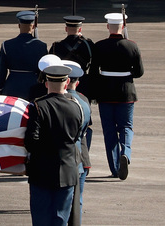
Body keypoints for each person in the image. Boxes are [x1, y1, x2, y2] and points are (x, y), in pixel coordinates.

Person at [24, 64, 84, 226]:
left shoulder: (37, 106)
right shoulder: (76, 106)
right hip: (68, 170)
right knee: (60, 220)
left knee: (41, 219)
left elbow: (31, 141)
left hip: (42, 171)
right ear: (67, 82)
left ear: (46, 83)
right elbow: (77, 136)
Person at [88, 12, 143, 180]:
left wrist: (95, 94)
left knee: (109, 132)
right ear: (123, 27)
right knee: (126, 127)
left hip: (105, 93)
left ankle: (115, 168)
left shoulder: (99, 46)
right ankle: (125, 152)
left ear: (107, 26)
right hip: (126, 93)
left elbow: (93, 73)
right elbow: (139, 72)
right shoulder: (132, 46)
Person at [63, 61, 92, 226]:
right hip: (81, 158)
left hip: (64, 160)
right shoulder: (84, 100)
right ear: (77, 82)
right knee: (77, 202)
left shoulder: (56, 101)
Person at [0, 10, 49, 99]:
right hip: (33, 88)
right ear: (33, 26)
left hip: (11, 88)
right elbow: (43, 71)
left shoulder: (7, 45)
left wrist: (0, 89)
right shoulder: (41, 46)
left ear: (19, 25)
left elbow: (1, 72)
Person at [50, 16, 95, 98]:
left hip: (62, 82)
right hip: (83, 82)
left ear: (66, 29)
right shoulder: (88, 45)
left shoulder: (56, 46)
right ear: (80, 29)